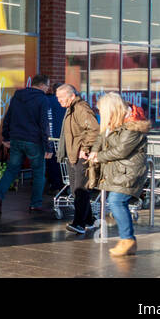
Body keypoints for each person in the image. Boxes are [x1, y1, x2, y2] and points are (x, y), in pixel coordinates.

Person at [89, 92, 151, 257]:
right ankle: (127, 240)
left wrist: (98, 157)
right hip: (119, 169)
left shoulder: (133, 126)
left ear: (112, 110)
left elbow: (121, 150)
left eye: (103, 111)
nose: (101, 115)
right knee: (116, 201)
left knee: (115, 201)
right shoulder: (114, 123)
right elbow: (100, 138)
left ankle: (128, 239)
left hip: (130, 170)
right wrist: (94, 151)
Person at [0, 73, 53, 215]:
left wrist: (6, 137)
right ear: (42, 85)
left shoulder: (17, 96)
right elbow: (45, 125)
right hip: (34, 142)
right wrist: (48, 146)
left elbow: (8, 117)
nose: (48, 89)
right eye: (47, 86)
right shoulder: (43, 100)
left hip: (16, 140)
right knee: (38, 172)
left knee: (11, 170)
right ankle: (35, 204)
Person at [55, 83, 99, 234]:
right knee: (75, 190)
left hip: (81, 156)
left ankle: (79, 223)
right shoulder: (71, 108)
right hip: (72, 155)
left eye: (61, 98)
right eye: (57, 98)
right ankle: (90, 220)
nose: (59, 101)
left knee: (80, 190)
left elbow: (94, 129)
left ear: (72, 96)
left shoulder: (80, 108)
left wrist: (85, 148)